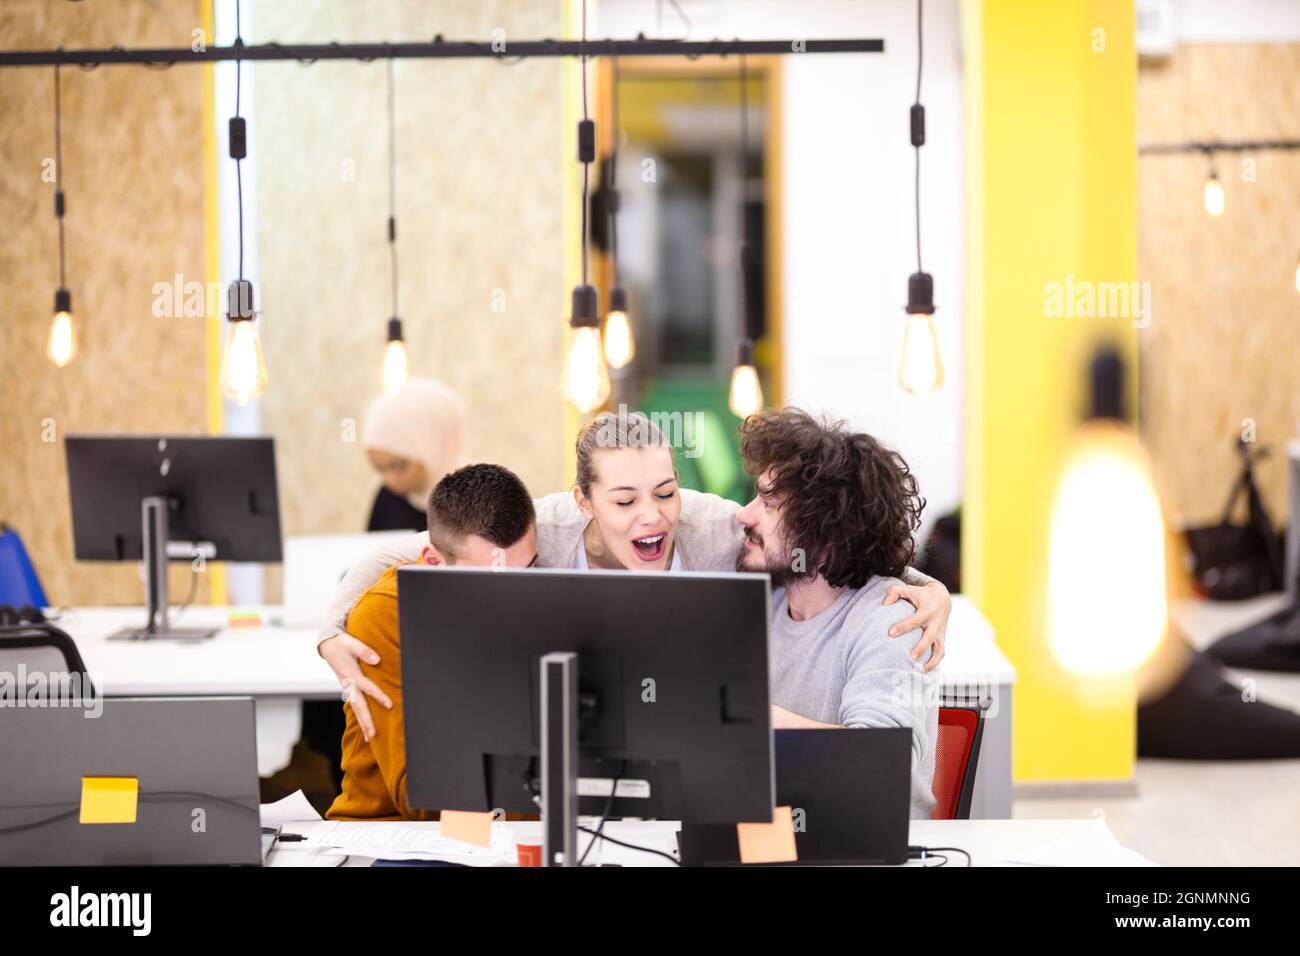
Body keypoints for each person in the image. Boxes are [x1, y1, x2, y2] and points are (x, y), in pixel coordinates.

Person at [317, 410, 953, 742]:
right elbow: (411, 551)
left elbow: (841, 543)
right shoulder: (550, 526)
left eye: (666, 492)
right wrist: (328, 630)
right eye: (623, 501)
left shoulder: (712, 528)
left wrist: (932, 590)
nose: (652, 516)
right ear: (584, 501)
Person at [736, 408, 938, 817]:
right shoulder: (767, 600)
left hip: (865, 852)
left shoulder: (890, 622)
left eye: (769, 504)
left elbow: (878, 763)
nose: (745, 514)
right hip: (780, 841)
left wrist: (744, 717)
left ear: (826, 532)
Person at [327, 463, 538, 820]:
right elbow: (419, 797)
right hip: (390, 833)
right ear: (433, 561)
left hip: (508, 827)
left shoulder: (541, 595)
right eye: (488, 584)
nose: (513, 601)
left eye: (528, 571)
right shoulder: (383, 618)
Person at [361, 377, 469, 532]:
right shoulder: (388, 500)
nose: (390, 481)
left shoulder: (479, 501)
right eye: (380, 469)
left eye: (398, 466)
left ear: (433, 445)